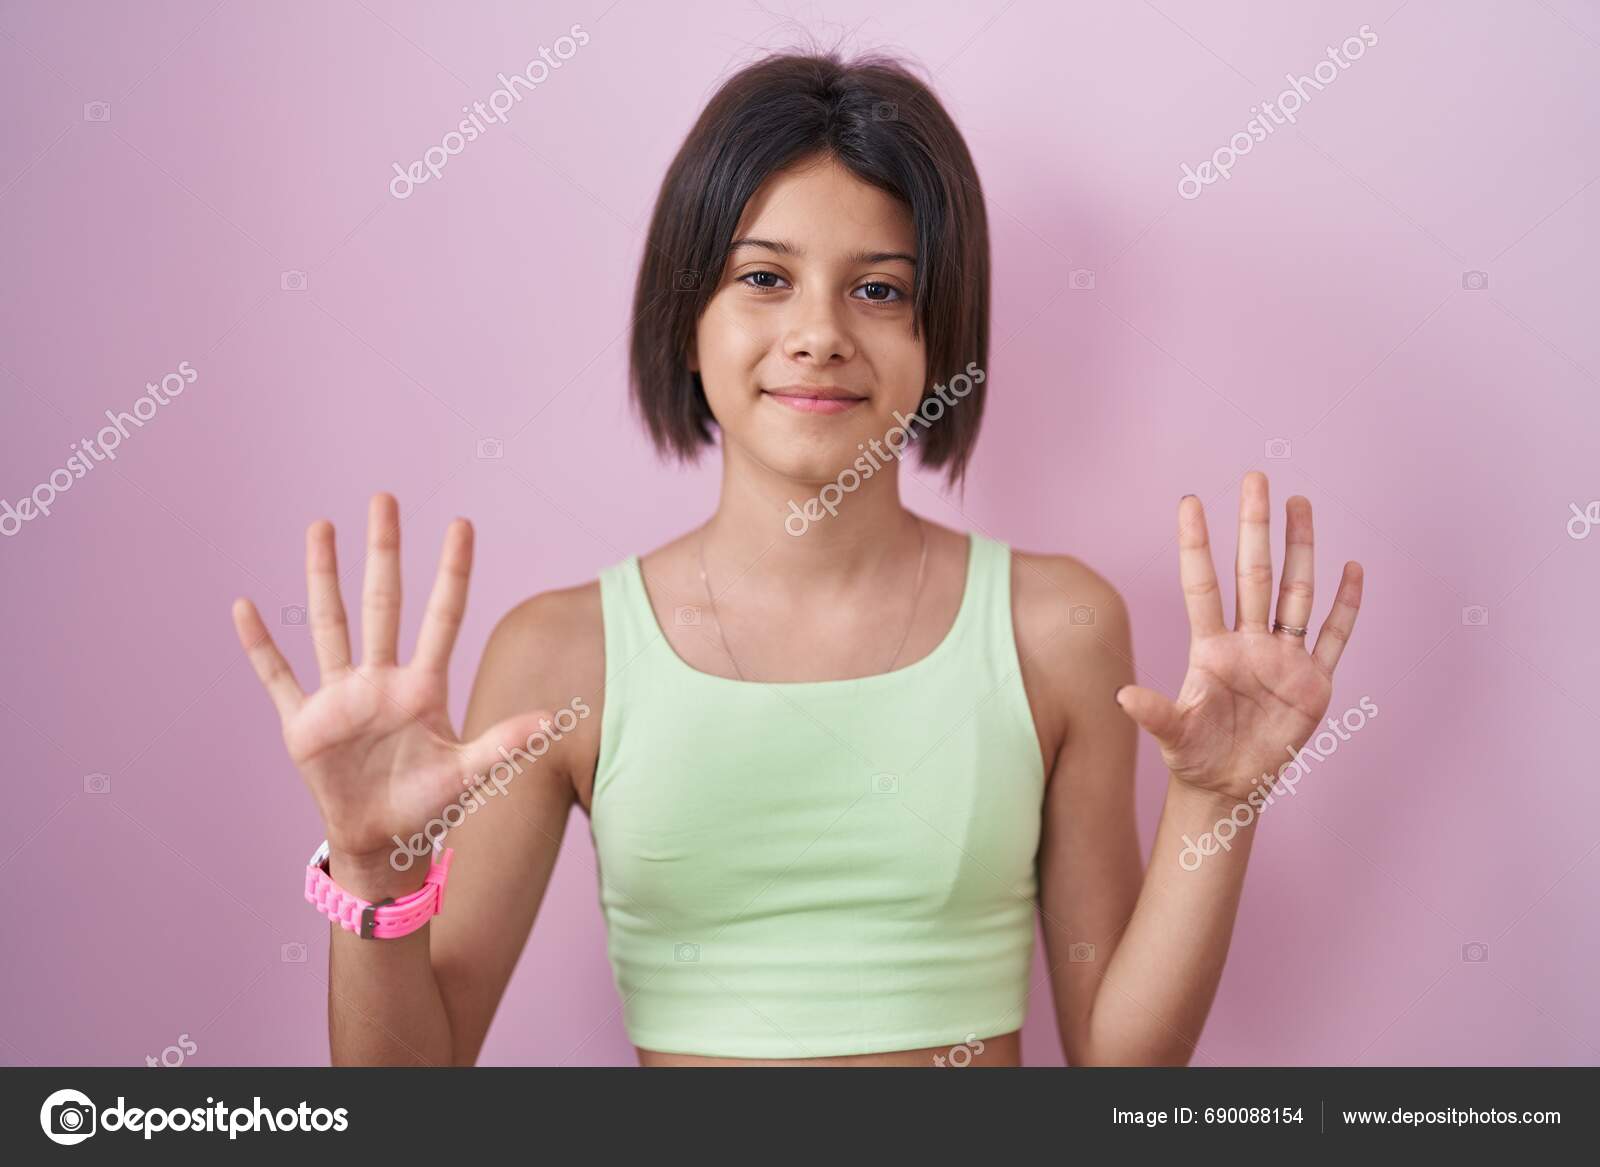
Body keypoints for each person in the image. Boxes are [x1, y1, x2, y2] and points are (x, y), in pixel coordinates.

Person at [231, 50, 1363, 1067]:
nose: (819, 331)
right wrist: (372, 870)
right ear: (687, 318)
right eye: (762, 277)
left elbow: (1120, 1070)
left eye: (879, 289)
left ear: (940, 339)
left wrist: (1219, 799)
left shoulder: (1056, 628)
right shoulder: (561, 655)